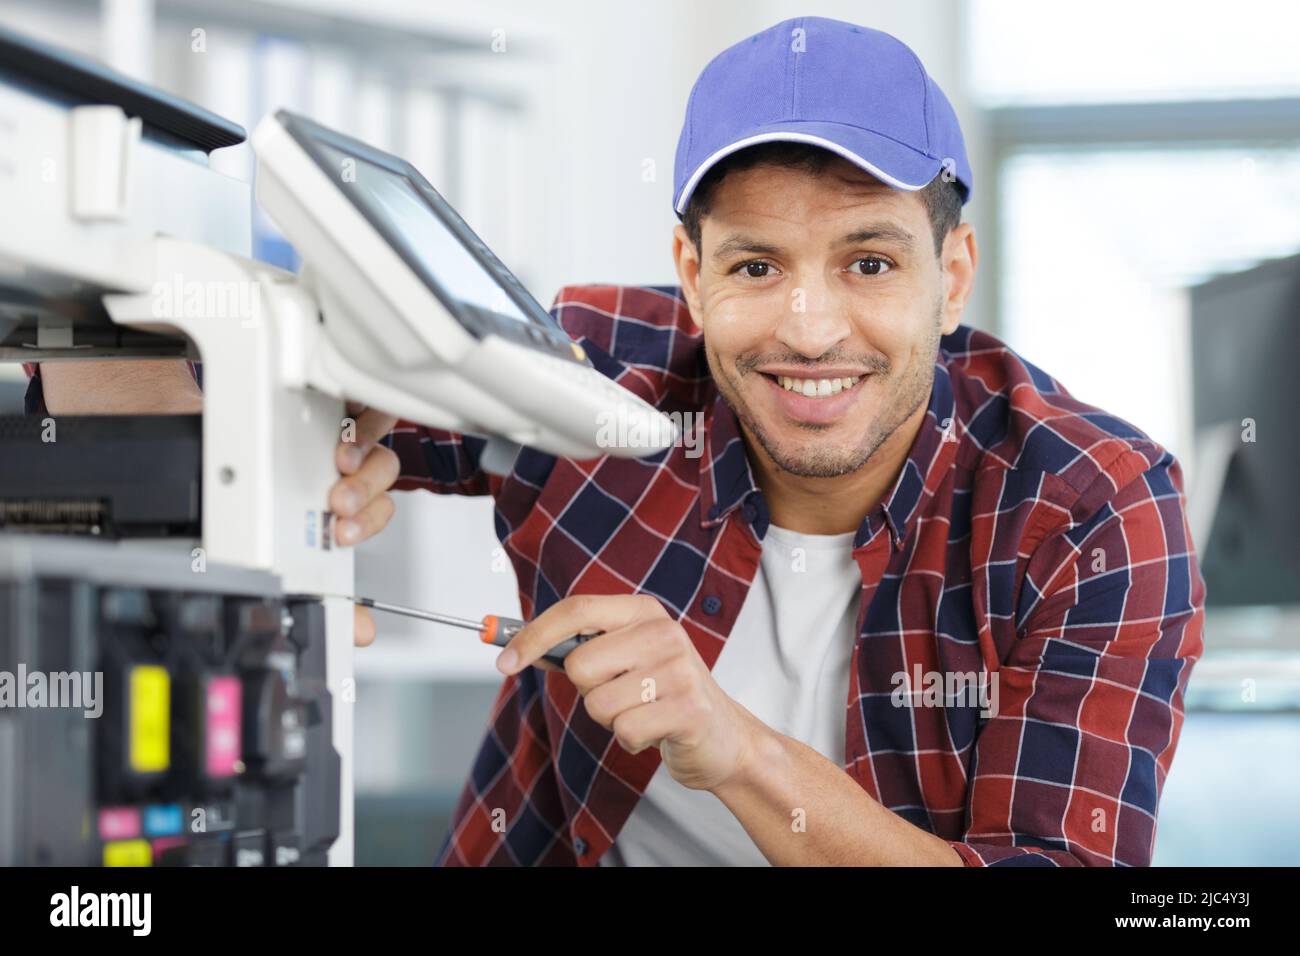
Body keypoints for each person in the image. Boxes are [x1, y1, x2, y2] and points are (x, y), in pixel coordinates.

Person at [30, 16, 1204, 867]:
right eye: (754, 265)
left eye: (868, 261)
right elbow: (239, 370)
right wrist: (303, 463)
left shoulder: (1093, 508)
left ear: (951, 277)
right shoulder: (598, 373)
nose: (808, 328)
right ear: (691, 274)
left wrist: (727, 743)